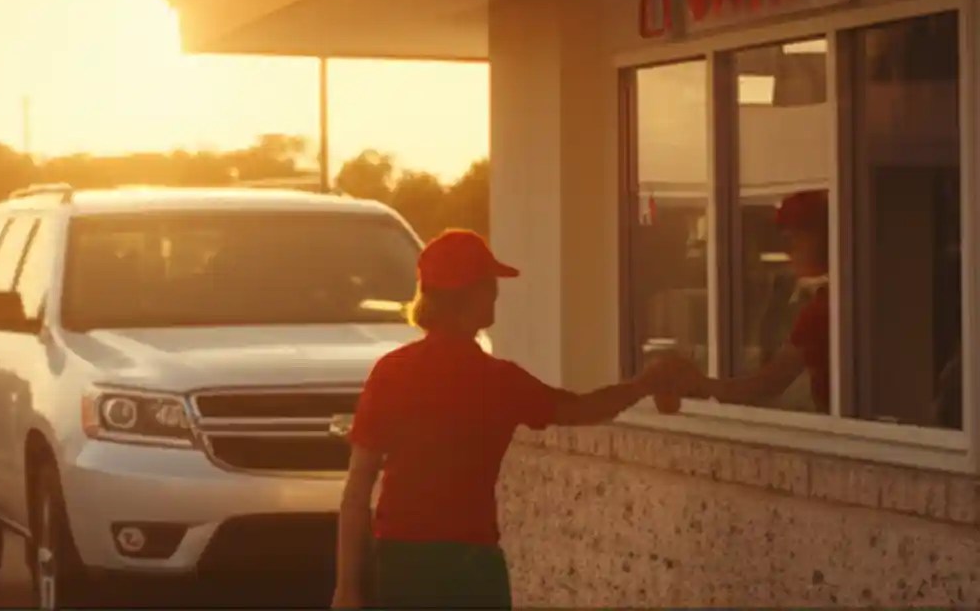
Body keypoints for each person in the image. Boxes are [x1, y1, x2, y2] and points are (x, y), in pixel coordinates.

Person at [331, 229, 705, 610]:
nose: (496, 293)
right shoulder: (496, 380)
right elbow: (582, 409)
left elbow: (357, 491)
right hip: (471, 566)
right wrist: (644, 383)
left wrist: (347, 588)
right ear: (473, 294)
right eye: (490, 284)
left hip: (402, 564)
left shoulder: (391, 373)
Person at [665, 189, 831, 411]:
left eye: (794, 238)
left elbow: (767, 385)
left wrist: (702, 385)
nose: (789, 252)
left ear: (825, 238)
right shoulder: (825, 302)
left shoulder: (823, 311)